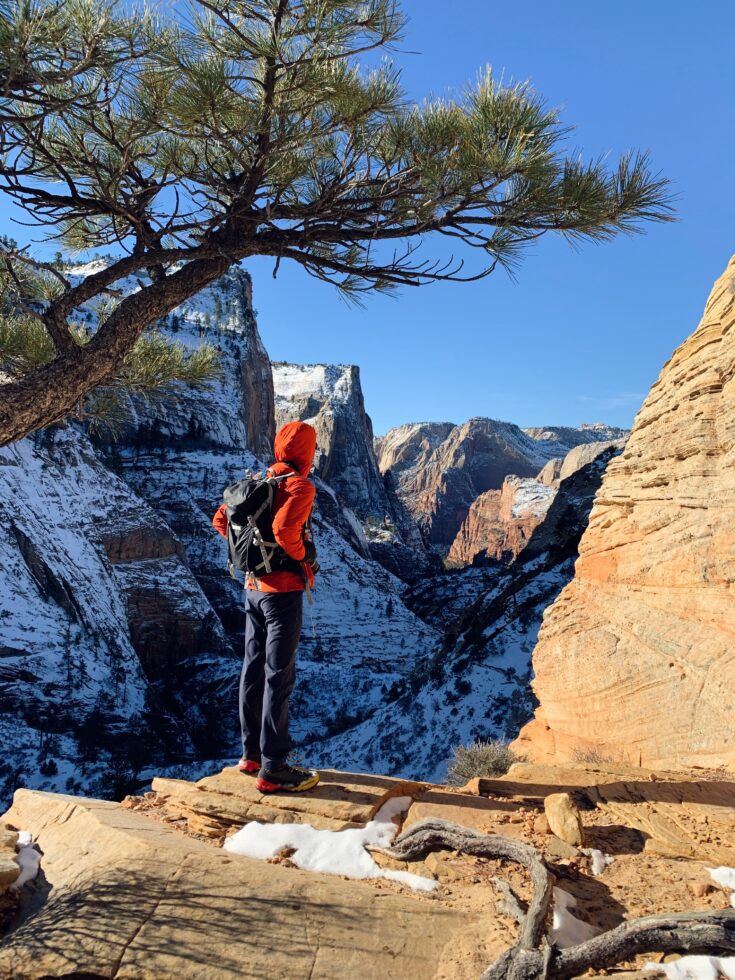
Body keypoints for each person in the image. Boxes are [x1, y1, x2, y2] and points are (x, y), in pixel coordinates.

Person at [212, 421, 320, 793]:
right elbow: (286, 531)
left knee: (252, 670)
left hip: (251, 589)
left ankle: (251, 755)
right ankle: (273, 769)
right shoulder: (299, 486)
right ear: (306, 453)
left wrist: (251, 553)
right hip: (282, 593)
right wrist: (304, 559)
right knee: (279, 675)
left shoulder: (256, 482)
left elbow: (220, 519)